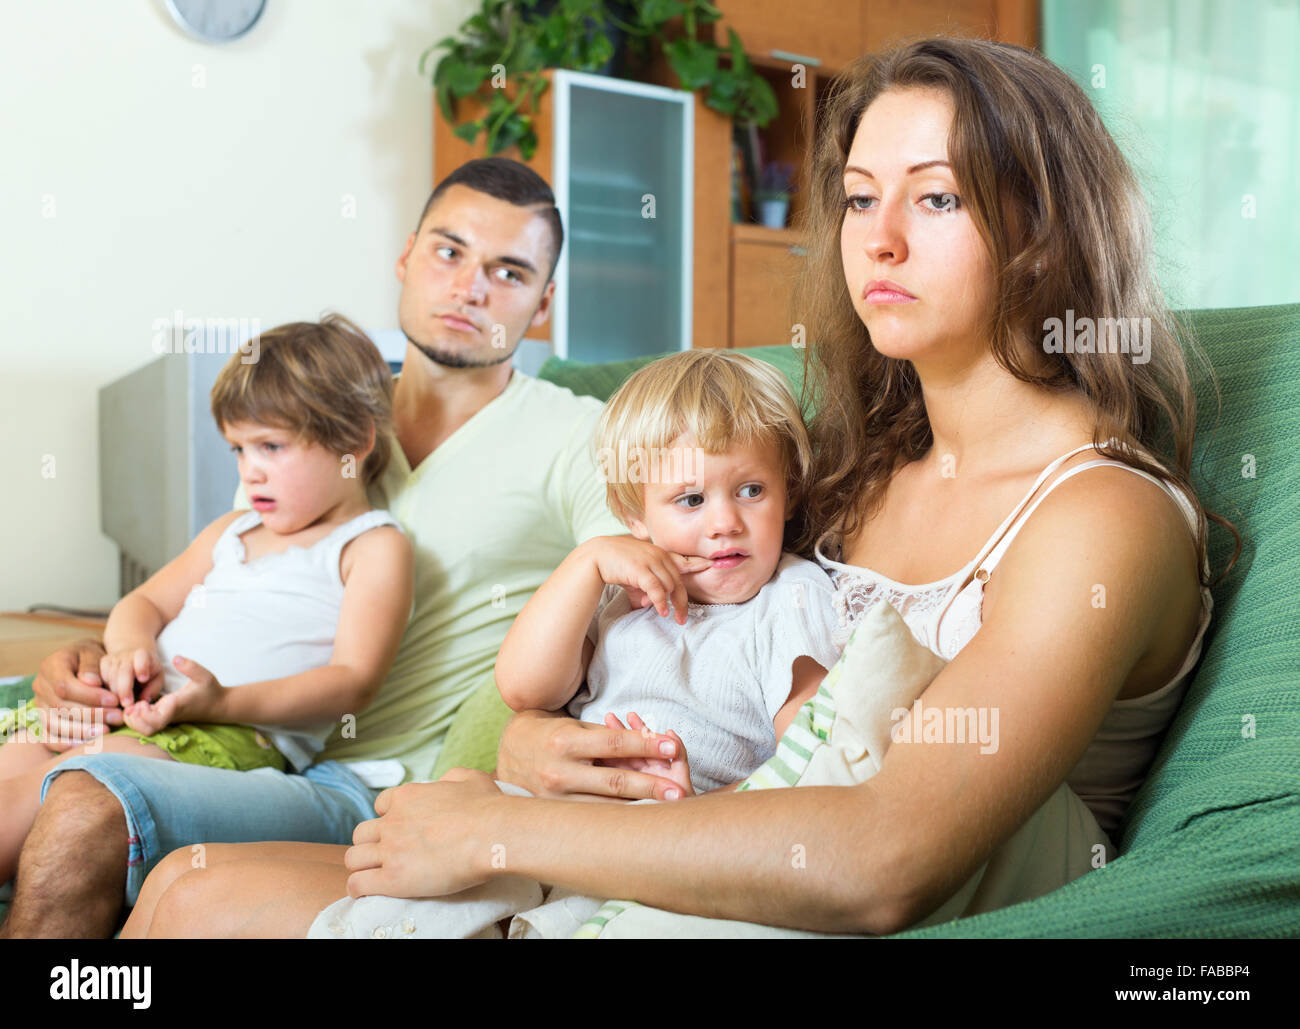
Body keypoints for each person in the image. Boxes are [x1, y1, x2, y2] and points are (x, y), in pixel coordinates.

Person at [127, 37, 1235, 939]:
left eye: (937, 199)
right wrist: (530, 749)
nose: (879, 240)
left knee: (206, 900)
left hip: (764, 905)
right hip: (647, 850)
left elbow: (881, 860)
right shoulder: (835, 479)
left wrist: (499, 835)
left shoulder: (1101, 517)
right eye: (857, 200)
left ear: (1043, 227)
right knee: (182, 882)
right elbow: (644, 668)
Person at [1, 157, 682, 938]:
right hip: (229, 732)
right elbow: (225, 597)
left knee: (87, 805)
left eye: (508, 270)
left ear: (542, 305)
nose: (468, 289)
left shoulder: (576, 435)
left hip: (371, 781)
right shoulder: (308, 415)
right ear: (406, 257)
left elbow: (645, 573)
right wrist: (96, 657)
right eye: (449, 252)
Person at [276, 349, 844, 939]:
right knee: (438, 828)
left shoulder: (790, 598)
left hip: (667, 840)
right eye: (691, 500)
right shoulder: (618, 595)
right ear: (634, 514)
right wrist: (586, 563)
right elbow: (525, 688)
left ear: (790, 493)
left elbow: (807, 765)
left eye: (752, 490)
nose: (725, 521)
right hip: (546, 816)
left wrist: (699, 804)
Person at [0, 317, 412, 886]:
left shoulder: (371, 547)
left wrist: (219, 702)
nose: (251, 470)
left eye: (271, 446)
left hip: (222, 736)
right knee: (9, 771)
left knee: (35, 804)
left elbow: (352, 681)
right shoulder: (233, 529)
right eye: (239, 449)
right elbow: (141, 602)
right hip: (130, 707)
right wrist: (127, 651)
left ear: (355, 442)